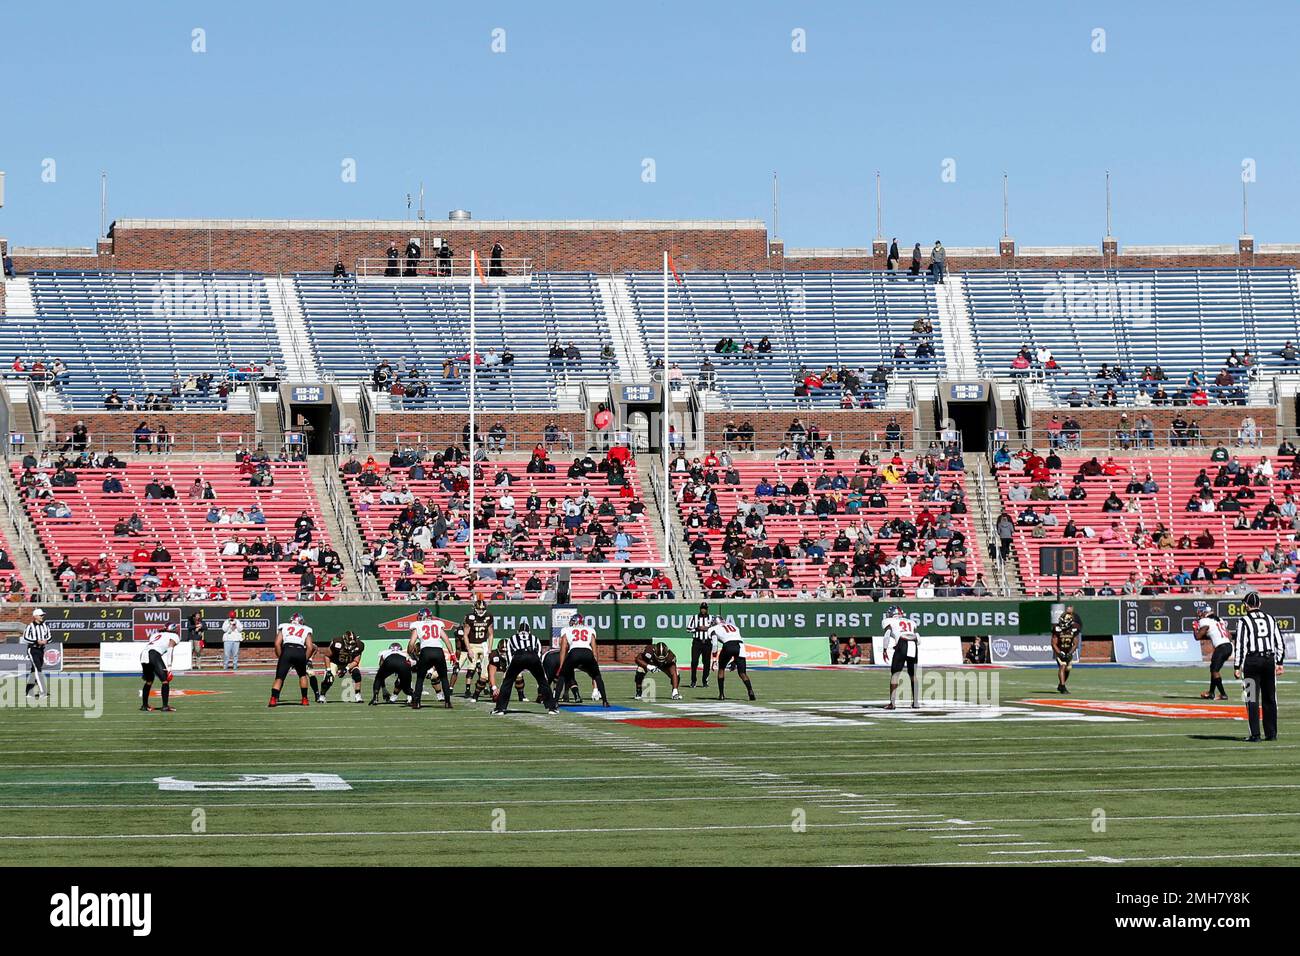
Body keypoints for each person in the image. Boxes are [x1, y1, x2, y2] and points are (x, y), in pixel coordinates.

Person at [1233, 590, 1285, 742]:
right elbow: (1279, 642)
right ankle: (1271, 733)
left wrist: (1237, 666)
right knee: (1270, 698)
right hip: (1269, 661)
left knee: (1251, 698)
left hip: (1252, 662)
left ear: (1245, 605)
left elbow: (1240, 645)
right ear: (1259, 604)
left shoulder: (1244, 621)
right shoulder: (1270, 618)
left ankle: (1255, 734)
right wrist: (1280, 662)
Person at [491, 621, 559, 716]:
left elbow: (510, 655)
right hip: (533, 657)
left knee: (507, 683)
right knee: (543, 682)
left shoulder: (512, 638)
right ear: (529, 631)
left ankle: (500, 709)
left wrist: (509, 670)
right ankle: (552, 708)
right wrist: (539, 668)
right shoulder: (534, 638)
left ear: (517, 631)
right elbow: (539, 653)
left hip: (518, 656)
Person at [552, 612, 610, 706]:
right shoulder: (590, 630)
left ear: (576, 621)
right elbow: (594, 649)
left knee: (562, 676)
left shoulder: (566, 630)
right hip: (588, 653)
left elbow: (563, 649)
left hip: (574, 653)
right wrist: (595, 663)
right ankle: (605, 701)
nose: (571, 622)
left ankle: (555, 702)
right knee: (597, 676)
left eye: (572, 621)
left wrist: (562, 665)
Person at [408, 608, 454, 709]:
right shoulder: (438, 623)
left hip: (426, 651)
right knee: (444, 678)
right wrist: (452, 654)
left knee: (420, 678)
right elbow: (446, 640)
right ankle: (447, 702)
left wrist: (409, 652)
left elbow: (412, 642)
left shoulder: (417, 625)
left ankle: (417, 702)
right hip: (438, 651)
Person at [268, 612, 315, 707]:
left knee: (279, 677)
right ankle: (305, 699)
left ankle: (273, 699)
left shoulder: (284, 626)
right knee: (302, 675)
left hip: (287, 650)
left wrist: (281, 656)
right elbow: (310, 647)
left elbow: (277, 643)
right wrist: (304, 659)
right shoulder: (306, 629)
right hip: (300, 651)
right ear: (301, 621)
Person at [708, 616, 756, 701]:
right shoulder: (734, 627)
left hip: (728, 645)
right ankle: (750, 691)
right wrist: (735, 661)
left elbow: (715, 644)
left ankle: (721, 694)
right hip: (740, 646)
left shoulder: (713, 628)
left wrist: (714, 659)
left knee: (721, 669)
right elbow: (737, 640)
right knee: (742, 673)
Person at [881, 606, 918, 709]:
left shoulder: (889, 621)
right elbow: (916, 636)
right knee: (913, 675)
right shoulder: (910, 621)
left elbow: (887, 634)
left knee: (895, 674)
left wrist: (884, 649)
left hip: (902, 642)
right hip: (913, 643)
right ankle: (915, 702)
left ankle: (892, 703)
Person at [1194, 601, 1232, 701]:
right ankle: (1211, 693)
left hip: (1221, 647)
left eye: (1201, 612)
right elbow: (1229, 636)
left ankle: (1223, 694)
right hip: (1228, 646)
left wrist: (1194, 628)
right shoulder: (1219, 620)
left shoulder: (1205, 621)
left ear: (1205, 612)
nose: (1199, 614)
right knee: (1214, 669)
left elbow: (1198, 637)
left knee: (1214, 671)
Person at [458, 597, 495, 699]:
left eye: (483, 609)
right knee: (472, 668)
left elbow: (491, 634)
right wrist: (469, 649)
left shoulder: (489, 616)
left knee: (486, 669)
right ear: (474, 608)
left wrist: (490, 648)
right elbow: (465, 635)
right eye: (479, 609)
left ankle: (491, 688)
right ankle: (468, 690)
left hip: (483, 644)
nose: (481, 611)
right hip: (473, 644)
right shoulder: (469, 617)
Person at [139, 626, 180, 713]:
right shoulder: (174, 636)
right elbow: (170, 650)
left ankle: (144, 705)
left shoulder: (155, 635)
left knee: (149, 681)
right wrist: (169, 668)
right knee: (165, 680)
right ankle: (165, 706)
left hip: (143, 654)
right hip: (153, 654)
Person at [320, 629, 365, 703]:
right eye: (349, 643)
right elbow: (327, 656)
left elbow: (356, 661)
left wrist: (346, 669)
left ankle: (358, 695)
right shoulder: (337, 642)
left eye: (352, 644)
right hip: (335, 662)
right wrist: (328, 670)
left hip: (349, 663)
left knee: (357, 674)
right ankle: (322, 695)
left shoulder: (360, 645)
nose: (350, 646)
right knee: (329, 679)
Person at [21, 607, 50, 700]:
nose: (42, 616)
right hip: (33, 650)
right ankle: (43, 692)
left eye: (43, 615)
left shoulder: (45, 625)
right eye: (41, 615)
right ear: (35, 616)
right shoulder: (30, 626)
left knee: (34, 671)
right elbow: (25, 638)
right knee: (38, 670)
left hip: (41, 650)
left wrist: (46, 641)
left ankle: (28, 691)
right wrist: (37, 641)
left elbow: (50, 637)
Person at [1051, 605, 1082, 694]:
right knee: (1062, 666)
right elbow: (1053, 643)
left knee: (1068, 669)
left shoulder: (1074, 628)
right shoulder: (1057, 629)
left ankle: (1061, 685)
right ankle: (1063, 687)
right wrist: (1059, 652)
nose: (1062, 624)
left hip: (1068, 650)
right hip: (1059, 650)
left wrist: (1070, 653)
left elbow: (1075, 644)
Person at [687, 602, 714, 688]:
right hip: (697, 642)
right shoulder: (694, 617)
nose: (703, 610)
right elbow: (688, 629)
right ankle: (693, 681)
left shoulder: (711, 618)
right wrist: (697, 628)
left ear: (707, 609)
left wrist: (708, 628)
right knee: (694, 662)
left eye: (705, 608)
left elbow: (716, 628)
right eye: (702, 608)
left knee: (706, 663)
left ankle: (705, 681)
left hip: (707, 642)